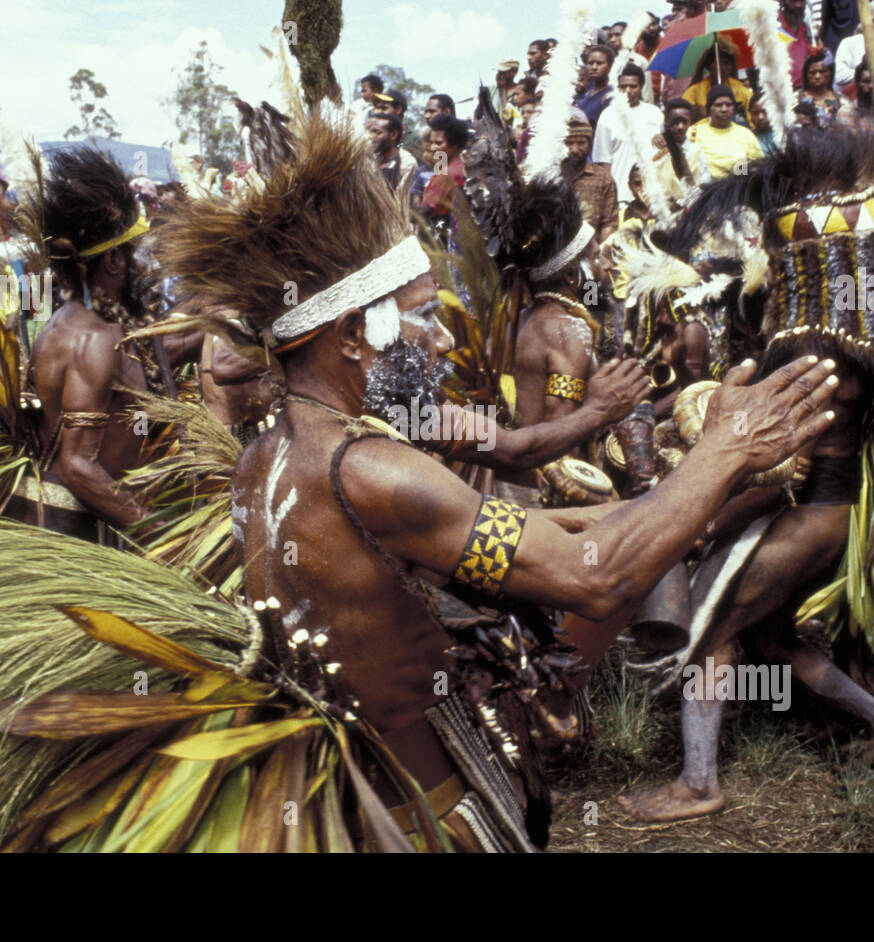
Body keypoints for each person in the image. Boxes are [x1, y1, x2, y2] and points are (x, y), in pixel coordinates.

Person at [153, 107, 838, 850]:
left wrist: (666, 501)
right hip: (425, 818)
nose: (446, 339)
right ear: (351, 337)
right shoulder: (371, 471)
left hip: (356, 803)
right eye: (421, 320)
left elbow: (519, 535)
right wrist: (724, 452)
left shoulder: (266, 454)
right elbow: (595, 577)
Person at [621, 129, 874, 824]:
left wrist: (702, 509)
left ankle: (699, 782)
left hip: (808, 513)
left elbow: (779, 464)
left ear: (794, 260)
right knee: (773, 638)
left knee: (709, 628)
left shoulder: (803, 344)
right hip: (835, 515)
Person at [24, 147, 157, 540]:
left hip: (70, 520)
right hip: (74, 532)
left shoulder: (64, 322)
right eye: (137, 258)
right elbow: (78, 467)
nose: (144, 269)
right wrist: (158, 531)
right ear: (114, 262)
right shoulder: (94, 340)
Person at [594, 63, 666, 209]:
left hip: (654, 195)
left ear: (641, 87)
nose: (628, 91)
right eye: (623, 87)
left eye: (633, 86)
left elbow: (664, 154)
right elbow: (602, 162)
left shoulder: (655, 113)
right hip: (620, 195)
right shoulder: (608, 115)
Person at [687, 85, 764, 180]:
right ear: (709, 108)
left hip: (736, 190)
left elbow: (759, 166)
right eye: (718, 105)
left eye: (728, 105)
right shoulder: (694, 132)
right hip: (703, 191)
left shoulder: (745, 134)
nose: (724, 109)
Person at [562, 112, 618, 243]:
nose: (574, 149)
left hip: (591, 252)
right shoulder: (552, 176)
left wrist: (600, 256)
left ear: (589, 145)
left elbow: (609, 224)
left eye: (581, 143)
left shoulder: (603, 179)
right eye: (569, 143)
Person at [682, 39, 754, 120]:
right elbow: (683, 115)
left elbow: (752, 118)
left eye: (726, 63)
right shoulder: (694, 91)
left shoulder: (741, 90)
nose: (722, 67)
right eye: (717, 63)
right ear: (709, 66)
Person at [420, 113, 467, 227]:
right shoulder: (459, 164)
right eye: (431, 142)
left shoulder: (449, 173)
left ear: (454, 144)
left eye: (438, 143)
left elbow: (426, 208)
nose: (432, 148)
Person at [367, 112, 418, 213]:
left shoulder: (406, 163)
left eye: (376, 132)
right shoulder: (369, 161)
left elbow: (402, 205)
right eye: (368, 131)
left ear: (393, 135)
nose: (369, 136)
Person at [797, 48, 843, 130]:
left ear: (830, 74)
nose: (817, 76)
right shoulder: (795, 99)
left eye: (823, 71)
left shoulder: (841, 101)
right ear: (806, 75)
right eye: (813, 73)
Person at [574, 44, 616, 127]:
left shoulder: (610, 96)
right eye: (590, 63)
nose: (594, 67)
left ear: (610, 66)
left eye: (599, 63)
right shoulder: (586, 92)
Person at [779, 0, 815, 87]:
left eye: (802, 1)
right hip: (780, 92)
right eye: (793, 1)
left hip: (805, 91)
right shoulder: (774, 26)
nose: (798, 5)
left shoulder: (807, 28)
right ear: (783, 2)